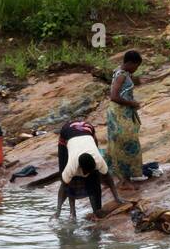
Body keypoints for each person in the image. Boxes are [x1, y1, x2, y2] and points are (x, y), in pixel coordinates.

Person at [56, 120, 123, 218]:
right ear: (80, 167)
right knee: (69, 179)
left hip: (87, 128)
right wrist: (58, 211)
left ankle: (97, 209)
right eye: (86, 172)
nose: (86, 175)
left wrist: (117, 198)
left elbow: (108, 178)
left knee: (94, 178)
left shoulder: (99, 160)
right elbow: (64, 186)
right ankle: (72, 212)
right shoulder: (72, 165)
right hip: (67, 132)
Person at [105, 50, 143, 192]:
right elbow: (114, 96)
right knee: (127, 143)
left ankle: (124, 178)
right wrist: (131, 103)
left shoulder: (122, 72)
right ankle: (124, 180)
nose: (136, 69)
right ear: (130, 63)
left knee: (122, 144)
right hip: (119, 113)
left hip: (121, 113)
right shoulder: (121, 75)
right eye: (136, 66)